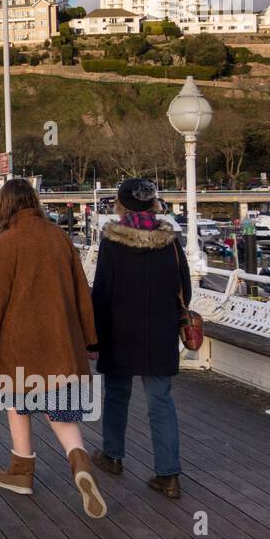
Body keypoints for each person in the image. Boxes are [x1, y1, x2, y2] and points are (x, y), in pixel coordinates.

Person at [0, 178, 106, 519]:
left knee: (18, 405)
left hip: (17, 346)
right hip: (61, 344)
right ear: (34, 201)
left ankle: (21, 472)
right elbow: (81, 292)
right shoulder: (59, 237)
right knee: (61, 411)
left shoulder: (6, 242)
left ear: (5, 205)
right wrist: (91, 340)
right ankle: (79, 460)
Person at [90, 178, 190, 499]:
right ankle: (168, 474)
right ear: (152, 204)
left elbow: (102, 292)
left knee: (117, 395)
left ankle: (113, 455)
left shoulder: (112, 241)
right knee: (160, 401)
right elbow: (184, 289)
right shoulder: (171, 241)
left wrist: (93, 334)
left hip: (120, 331)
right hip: (160, 332)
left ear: (120, 205)